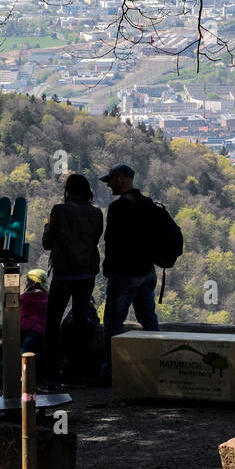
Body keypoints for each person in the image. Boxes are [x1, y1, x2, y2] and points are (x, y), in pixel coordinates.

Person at [100, 163, 161, 383]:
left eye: (111, 180)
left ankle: (112, 371)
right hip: (147, 271)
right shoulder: (149, 204)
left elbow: (112, 241)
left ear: (122, 179)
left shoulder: (118, 208)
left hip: (124, 273)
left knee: (113, 324)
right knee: (148, 319)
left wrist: (108, 268)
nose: (108, 185)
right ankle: (156, 366)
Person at [42, 174, 103, 384]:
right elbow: (95, 239)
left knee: (52, 322)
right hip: (87, 274)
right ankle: (79, 371)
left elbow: (47, 244)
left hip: (64, 273)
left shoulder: (59, 210)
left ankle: (50, 372)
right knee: (80, 321)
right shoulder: (96, 213)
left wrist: (47, 228)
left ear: (68, 190)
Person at [19, 268, 49, 373]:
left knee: (25, 349)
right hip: (38, 331)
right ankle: (5, 368)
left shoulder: (23, 297)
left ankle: (6, 368)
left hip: (21, 328)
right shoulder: (47, 298)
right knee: (27, 351)